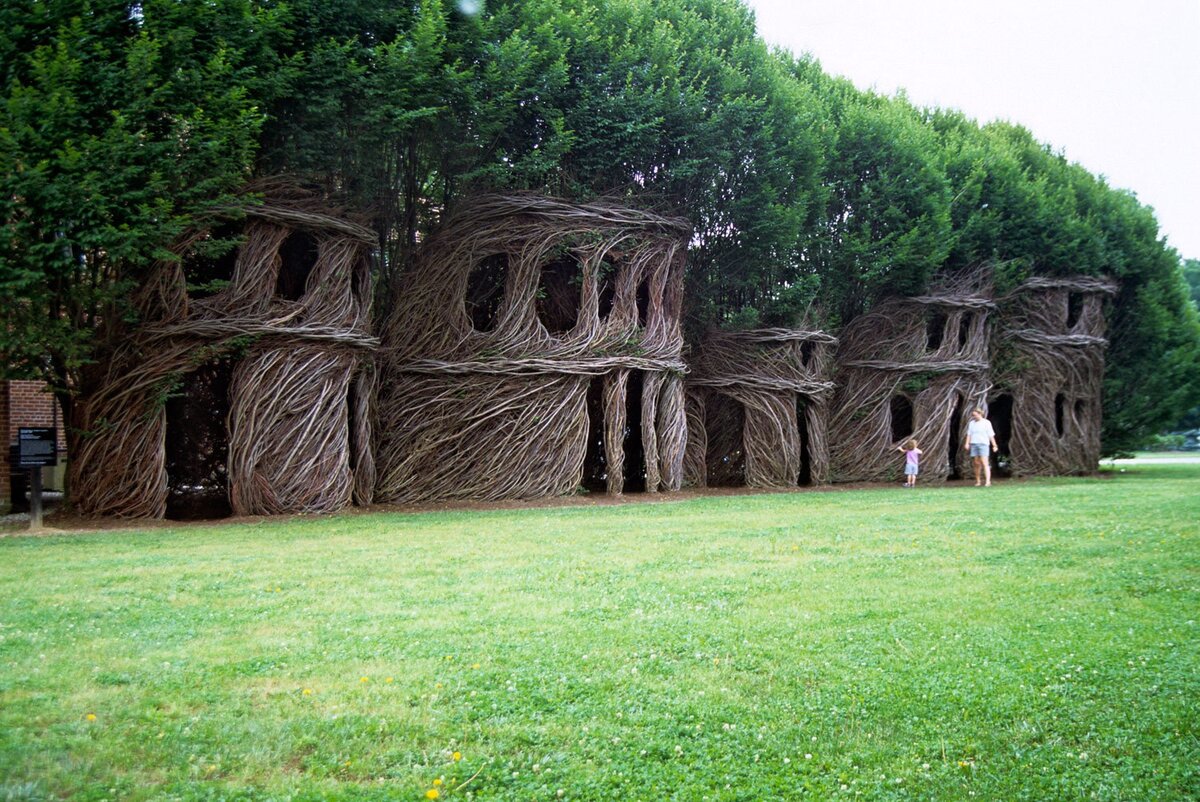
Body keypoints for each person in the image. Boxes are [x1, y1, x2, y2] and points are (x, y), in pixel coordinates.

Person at [963, 407, 999, 487]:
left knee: (984, 462)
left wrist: (994, 445)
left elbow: (991, 435)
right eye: (973, 415)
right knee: (976, 463)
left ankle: (987, 481)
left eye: (975, 415)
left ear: (980, 414)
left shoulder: (986, 423)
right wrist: (967, 443)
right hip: (974, 444)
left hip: (983, 444)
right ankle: (978, 481)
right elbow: (969, 434)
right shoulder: (972, 423)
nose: (974, 417)